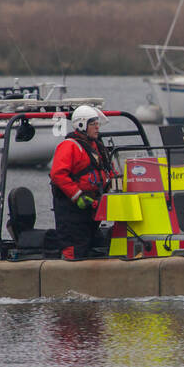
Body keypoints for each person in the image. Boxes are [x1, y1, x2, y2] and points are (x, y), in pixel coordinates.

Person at [50, 105, 114, 260]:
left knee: (94, 244)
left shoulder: (97, 146)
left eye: (97, 123)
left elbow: (107, 170)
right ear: (81, 124)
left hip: (92, 206)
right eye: (93, 124)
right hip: (73, 209)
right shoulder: (70, 146)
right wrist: (77, 195)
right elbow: (58, 174)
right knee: (75, 248)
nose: (97, 127)